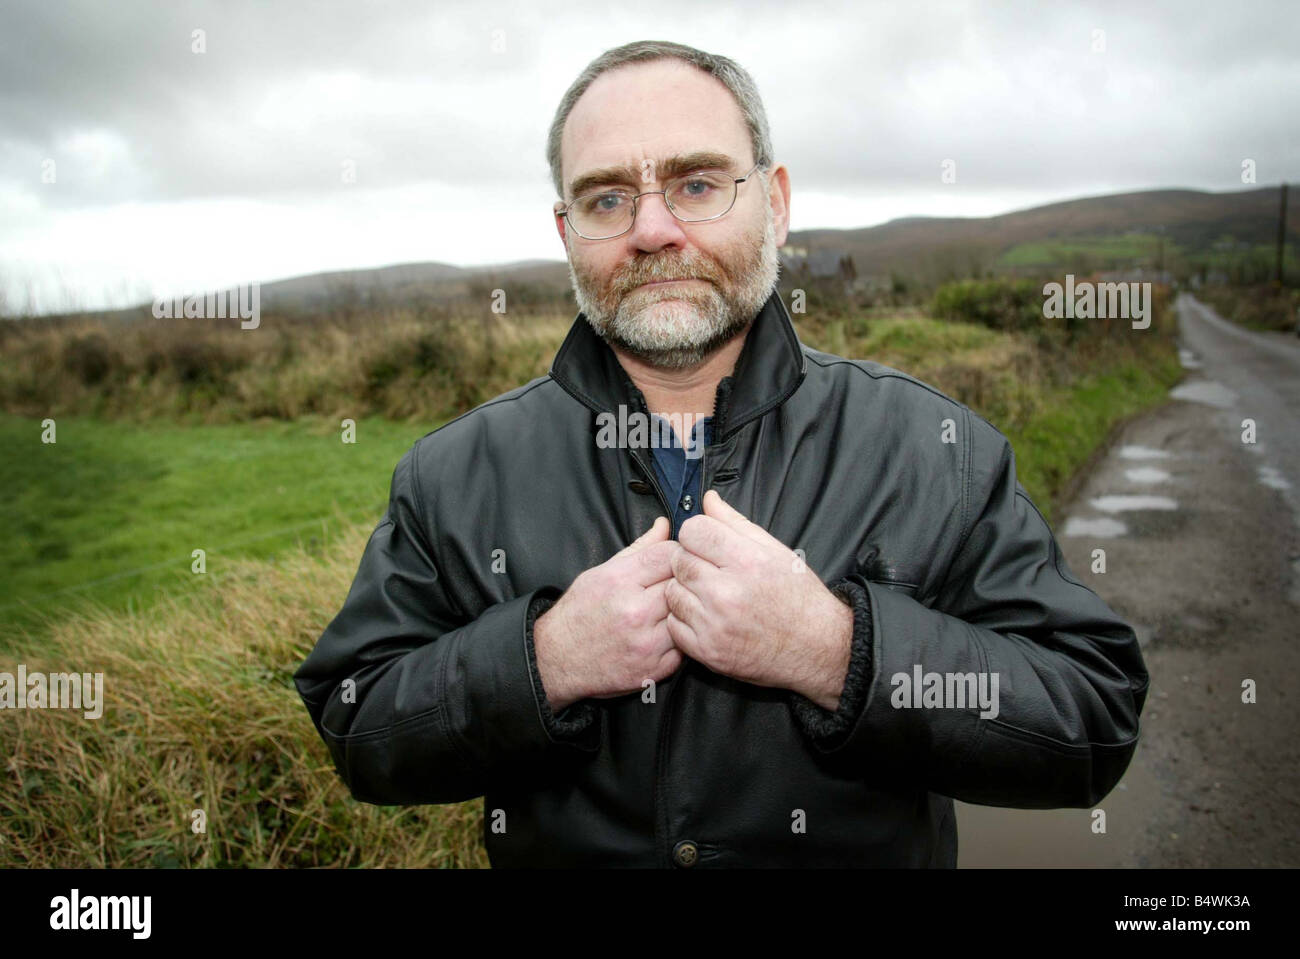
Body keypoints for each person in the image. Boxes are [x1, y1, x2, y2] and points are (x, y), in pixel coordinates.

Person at [293, 40, 1148, 868]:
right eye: (606, 199)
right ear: (566, 232)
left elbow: (1091, 714)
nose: (653, 229)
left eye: (697, 184)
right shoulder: (456, 471)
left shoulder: (931, 448)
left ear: (774, 201)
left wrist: (837, 651)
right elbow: (355, 719)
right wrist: (542, 662)